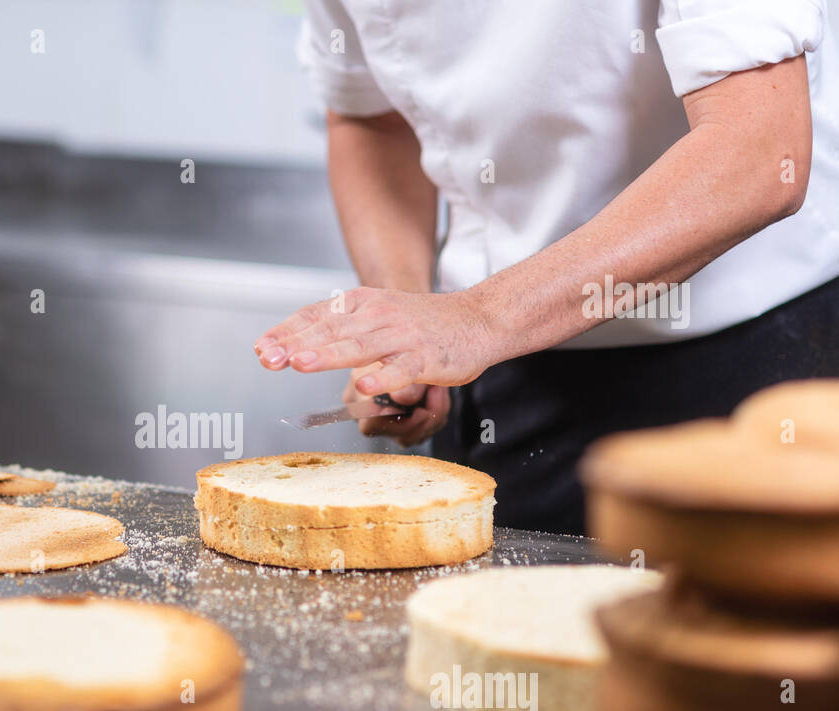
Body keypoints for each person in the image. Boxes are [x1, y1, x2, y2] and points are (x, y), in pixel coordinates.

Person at [256, 0, 839, 534]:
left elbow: (760, 152)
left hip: (739, 370)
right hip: (493, 377)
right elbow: (370, 117)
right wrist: (407, 341)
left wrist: (476, 319)